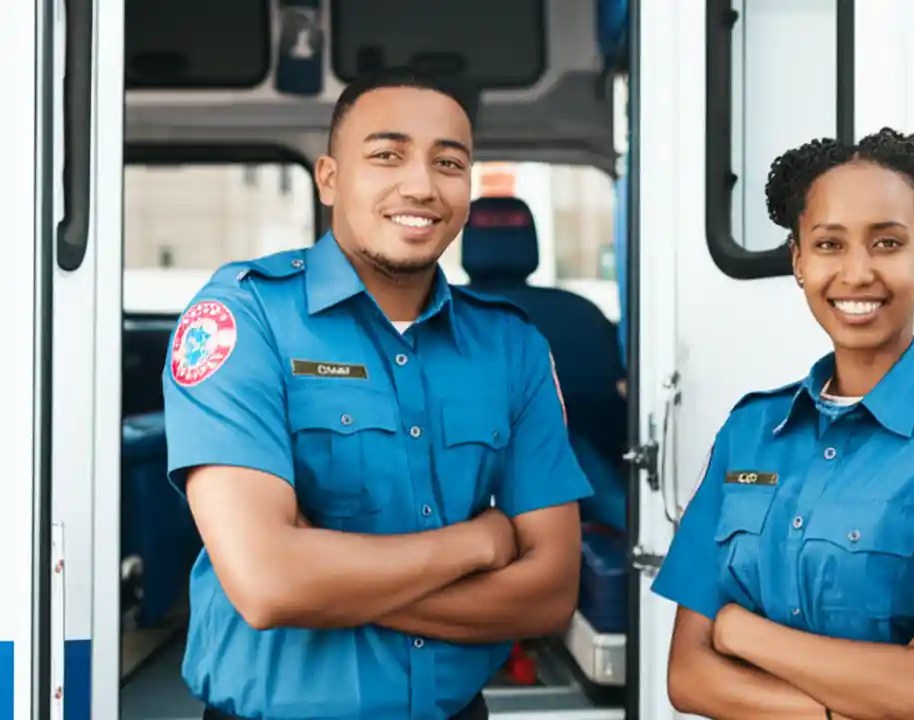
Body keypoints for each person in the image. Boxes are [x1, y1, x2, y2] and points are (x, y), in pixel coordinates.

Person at [161, 66, 593, 720]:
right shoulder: (245, 318)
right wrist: (477, 546)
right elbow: (268, 584)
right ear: (329, 179)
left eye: (449, 163)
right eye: (387, 155)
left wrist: (324, 581)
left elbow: (550, 595)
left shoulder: (512, 346)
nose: (420, 185)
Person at [651, 128, 914, 719]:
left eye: (887, 243)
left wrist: (741, 632)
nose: (856, 273)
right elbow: (688, 677)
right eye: (829, 244)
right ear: (798, 261)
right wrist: (853, 706)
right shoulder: (749, 432)